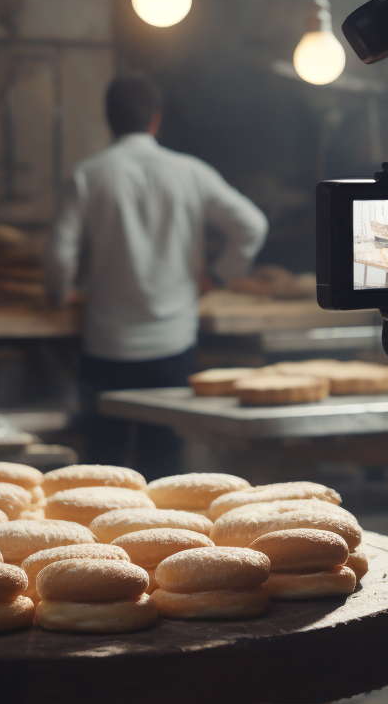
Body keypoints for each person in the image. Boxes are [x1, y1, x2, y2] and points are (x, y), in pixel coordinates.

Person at [44, 74, 268, 476]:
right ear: (155, 120)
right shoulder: (190, 172)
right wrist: (217, 277)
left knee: (101, 478)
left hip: (106, 348)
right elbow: (252, 225)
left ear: (106, 119)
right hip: (171, 347)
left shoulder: (88, 175)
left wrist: (58, 295)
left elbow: (59, 256)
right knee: (163, 474)